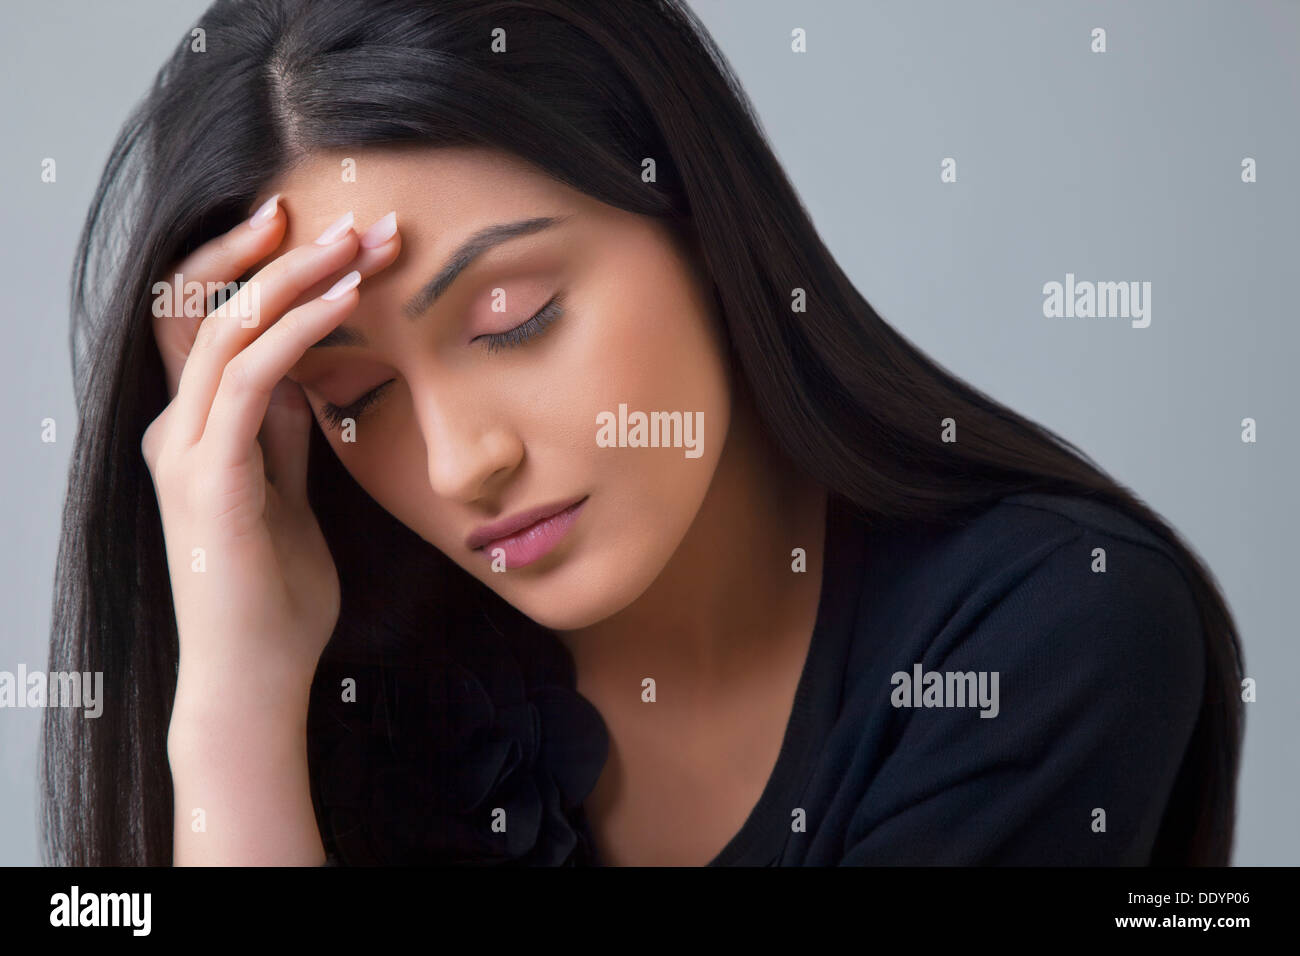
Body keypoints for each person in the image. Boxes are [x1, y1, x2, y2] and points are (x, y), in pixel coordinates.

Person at [42, 0, 1243, 866]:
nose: (465, 462)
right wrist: (236, 711)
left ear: (701, 222)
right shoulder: (363, 689)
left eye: (514, 317)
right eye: (355, 401)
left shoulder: (1051, 634)